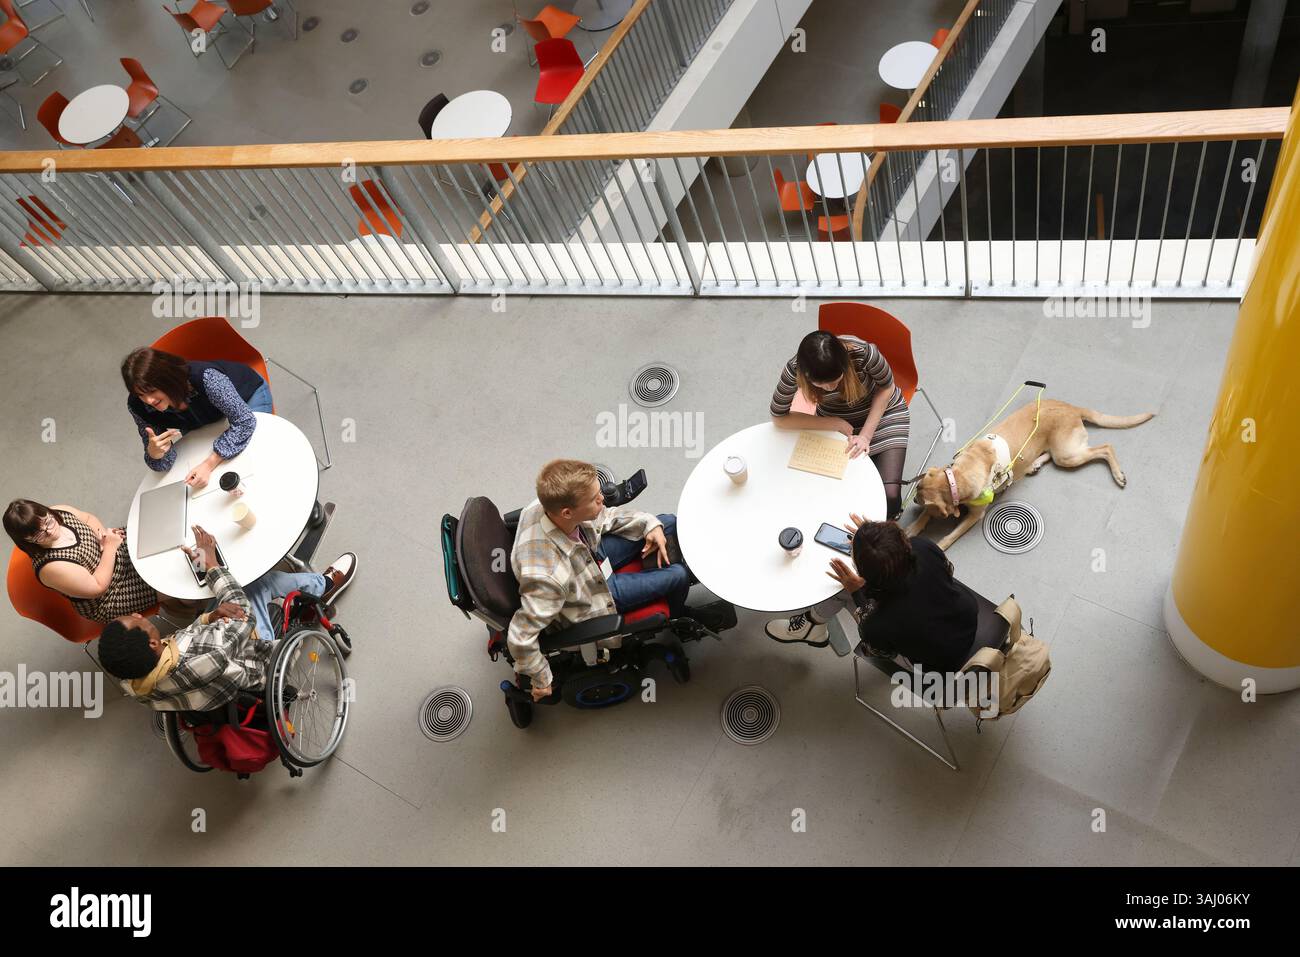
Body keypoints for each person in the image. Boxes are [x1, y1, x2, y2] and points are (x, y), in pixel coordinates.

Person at [508, 459, 734, 702]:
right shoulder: (546, 577)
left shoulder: (546, 506)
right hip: (591, 598)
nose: (602, 499)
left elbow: (604, 516)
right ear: (567, 512)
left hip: (588, 559)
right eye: (595, 498)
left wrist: (649, 525)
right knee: (678, 576)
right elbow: (520, 637)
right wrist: (542, 678)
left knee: (666, 522)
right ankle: (679, 616)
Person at [97, 526, 357, 711]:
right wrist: (211, 565)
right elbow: (242, 613)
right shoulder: (209, 653)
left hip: (216, 677)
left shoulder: (133, 683)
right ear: (152, 645)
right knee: (254, 585)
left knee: (212, 595)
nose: (136, 614)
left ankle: (212, 570)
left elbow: (184, 640)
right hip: (262, 663)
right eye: (135, 620)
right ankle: (323, 585)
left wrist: (209, 618)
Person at [769, 330, 910, 519]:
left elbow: (887, 387)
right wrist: (832, 423)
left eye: (835, 381)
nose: (830, 388)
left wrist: (866, 436)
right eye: (821, 385)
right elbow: (779, 416)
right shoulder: (794, 369)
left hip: (883, 413)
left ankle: (887, 526)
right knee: (833, 494)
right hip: (834, 421)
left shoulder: (863, 353)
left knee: (890, 496)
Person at [825, 513, 977, 674]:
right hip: (966, 621)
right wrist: (877, 543)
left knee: (840, 592)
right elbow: (948, 571)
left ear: (865, 577)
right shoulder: (923, 546)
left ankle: (813, 624)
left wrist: (856, 592)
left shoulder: (875, 622)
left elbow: (875, 651)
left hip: (937, 664)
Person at [121, 346, 274, 489]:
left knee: (253, 457)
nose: (149, 400)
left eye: (153, 391)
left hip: (246, 395)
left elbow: (244, 422)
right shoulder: (138, 406)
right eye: (141, 395)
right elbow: (164, 464)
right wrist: (155, 453)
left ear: (168, 379)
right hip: (202, 419)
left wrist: (209, 464)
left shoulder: (206, 377)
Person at [5, 499, 160, 623]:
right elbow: (98, 587)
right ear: (27, 541)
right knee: (163, 581)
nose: (50, 531)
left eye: (48, 522)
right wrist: (110, 548)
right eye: (39, 535)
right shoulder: (51, 568)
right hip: (110, 596)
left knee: (157, 532)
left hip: (113, 552)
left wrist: (101, 537)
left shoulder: (57, 512)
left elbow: (88, 518)